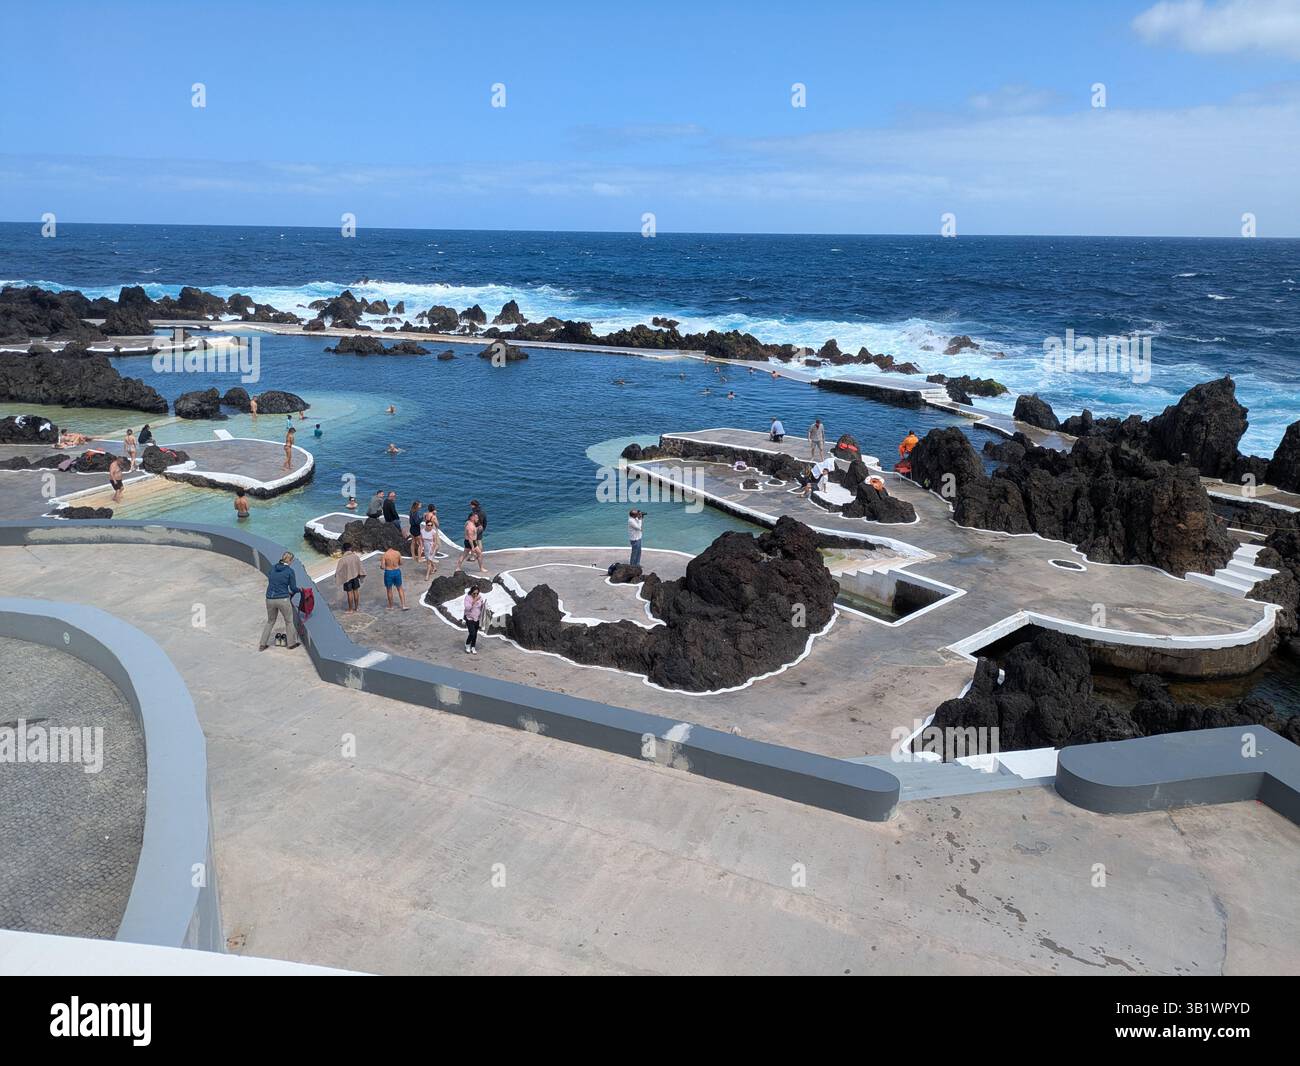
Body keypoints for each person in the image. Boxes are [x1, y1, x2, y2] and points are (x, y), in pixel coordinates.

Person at [259, 551, 301, 650]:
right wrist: (299, 590)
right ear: (290, 560)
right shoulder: (290, 571)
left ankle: (262, 644)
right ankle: (291, 644)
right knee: (289, 621)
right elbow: (293, 587)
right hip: (283, 599)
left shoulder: (273, 567)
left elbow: (271, 579)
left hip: (269, 598)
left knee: (270, 621)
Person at [335, 546, 364, 614]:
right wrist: (360, 574)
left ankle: (350, 609)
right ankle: (356, 608)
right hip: (355, 577)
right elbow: (359, 566)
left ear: (344, 550)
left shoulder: (342, 559)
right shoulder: (355, 557)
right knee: (356, 591)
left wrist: (337, 578)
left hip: (347, 578)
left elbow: (338, 571)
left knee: (349, 593)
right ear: (350, 549)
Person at [381, 545, 408, 610]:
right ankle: (403, 605)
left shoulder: (385, 555)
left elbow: (383, 567)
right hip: (397, 571)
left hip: (389, 572)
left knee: (389, 589)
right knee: (400, 588)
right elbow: (401, 563)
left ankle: (391, 606)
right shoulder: (397, 553)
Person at [463, 586, 485, 655]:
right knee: (472, 633)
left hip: (477, 618)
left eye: (477, 593)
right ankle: (467, 644)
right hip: (469, 618)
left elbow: (481, 607)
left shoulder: (480, 597)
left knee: (475, 634)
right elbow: (467, 608)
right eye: (474, 593)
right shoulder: (467, 598)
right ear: (471, 592)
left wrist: (484, 605)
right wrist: (474, 601)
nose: (476, 595)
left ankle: (473, 646)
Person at [421, 512, 441, 578]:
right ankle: (434, 567)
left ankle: (427, 575)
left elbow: (435, 542)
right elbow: (421, 540)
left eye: (431, 525)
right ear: (426, 525)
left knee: (428, 562)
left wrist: (433, 550)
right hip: (425, 547)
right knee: (428, 559)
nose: (430, 526)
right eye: (428, 525)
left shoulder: (433, 532)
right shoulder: (422, 531)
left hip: (431, 547)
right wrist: (421, 548)